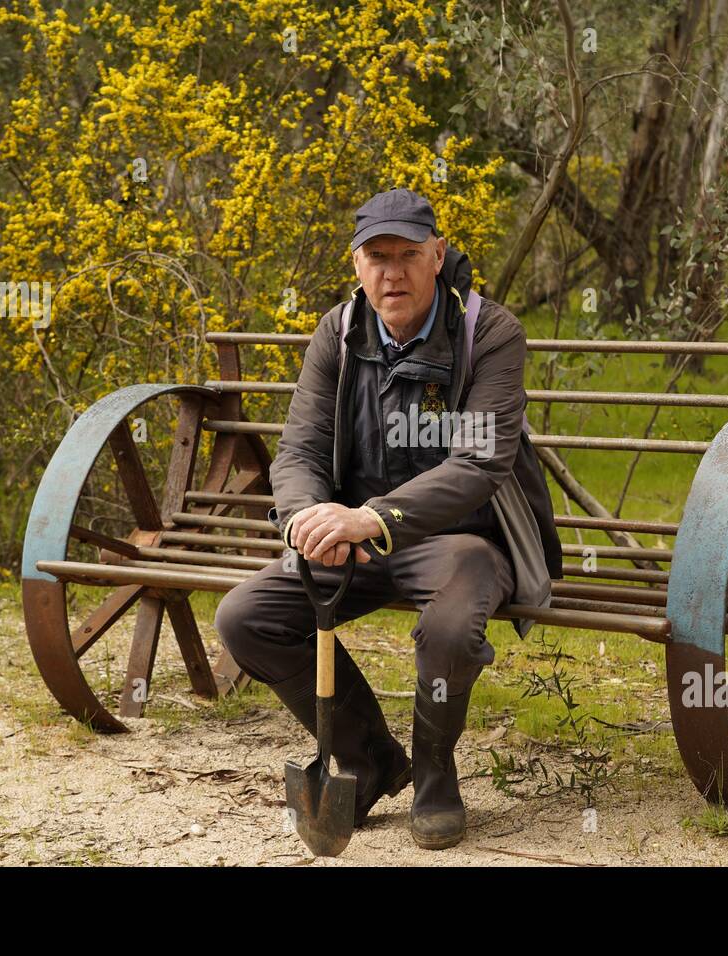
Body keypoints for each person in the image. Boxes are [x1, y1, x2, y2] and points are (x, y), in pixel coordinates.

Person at [213, 187, 561, 849]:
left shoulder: (490, 332)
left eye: (407, 254)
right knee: (244, 617)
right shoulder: (339, 333)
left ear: (437, 255)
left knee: (452, 629)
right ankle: (370, 761)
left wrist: (372, 519)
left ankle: (435, 771)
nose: (392, 272)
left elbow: (480, 465)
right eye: (378, 256)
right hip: (354, 537)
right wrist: (307, 518)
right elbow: (301, 449)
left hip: (463, 538)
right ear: (357, 263)